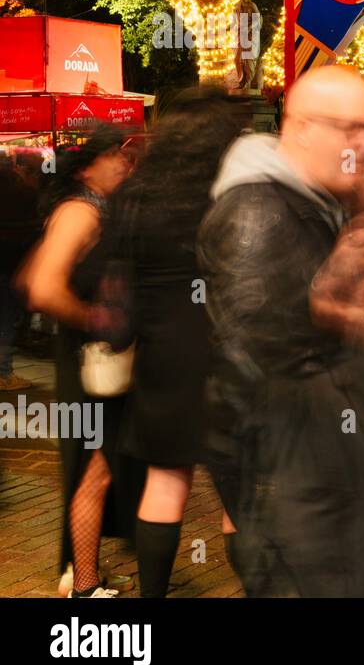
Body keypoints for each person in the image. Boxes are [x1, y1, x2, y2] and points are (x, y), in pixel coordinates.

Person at [197, 65, 364, 597]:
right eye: (350, 129)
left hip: (333, 494)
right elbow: (247, 367)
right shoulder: (258, 213)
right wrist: (345, 310)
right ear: (301, 127)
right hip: (298, 509)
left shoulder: (321, 203)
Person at [111, 87, 250, 597]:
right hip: (227, 356)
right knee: (237, 491)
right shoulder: (232, 191)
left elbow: (118, 283)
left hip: (164, 359)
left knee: (165, 483)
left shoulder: (137, 191)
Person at [20, 126, 143, 598]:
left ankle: (78, 571)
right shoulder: (80, 211)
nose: (123, 163)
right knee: (95, 466)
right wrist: (92, 316)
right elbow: (42, 287)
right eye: (114, 155)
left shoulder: (88, 209)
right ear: (88, 166)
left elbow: (32, 271)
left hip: (87, 359)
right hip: (90, 363)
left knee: (94, 464)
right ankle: (84, 584)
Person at [0, 155, 41, 390]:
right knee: (6, 319)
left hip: (7, 262)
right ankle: (4, 373)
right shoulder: (20, 191)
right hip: (10, 264)